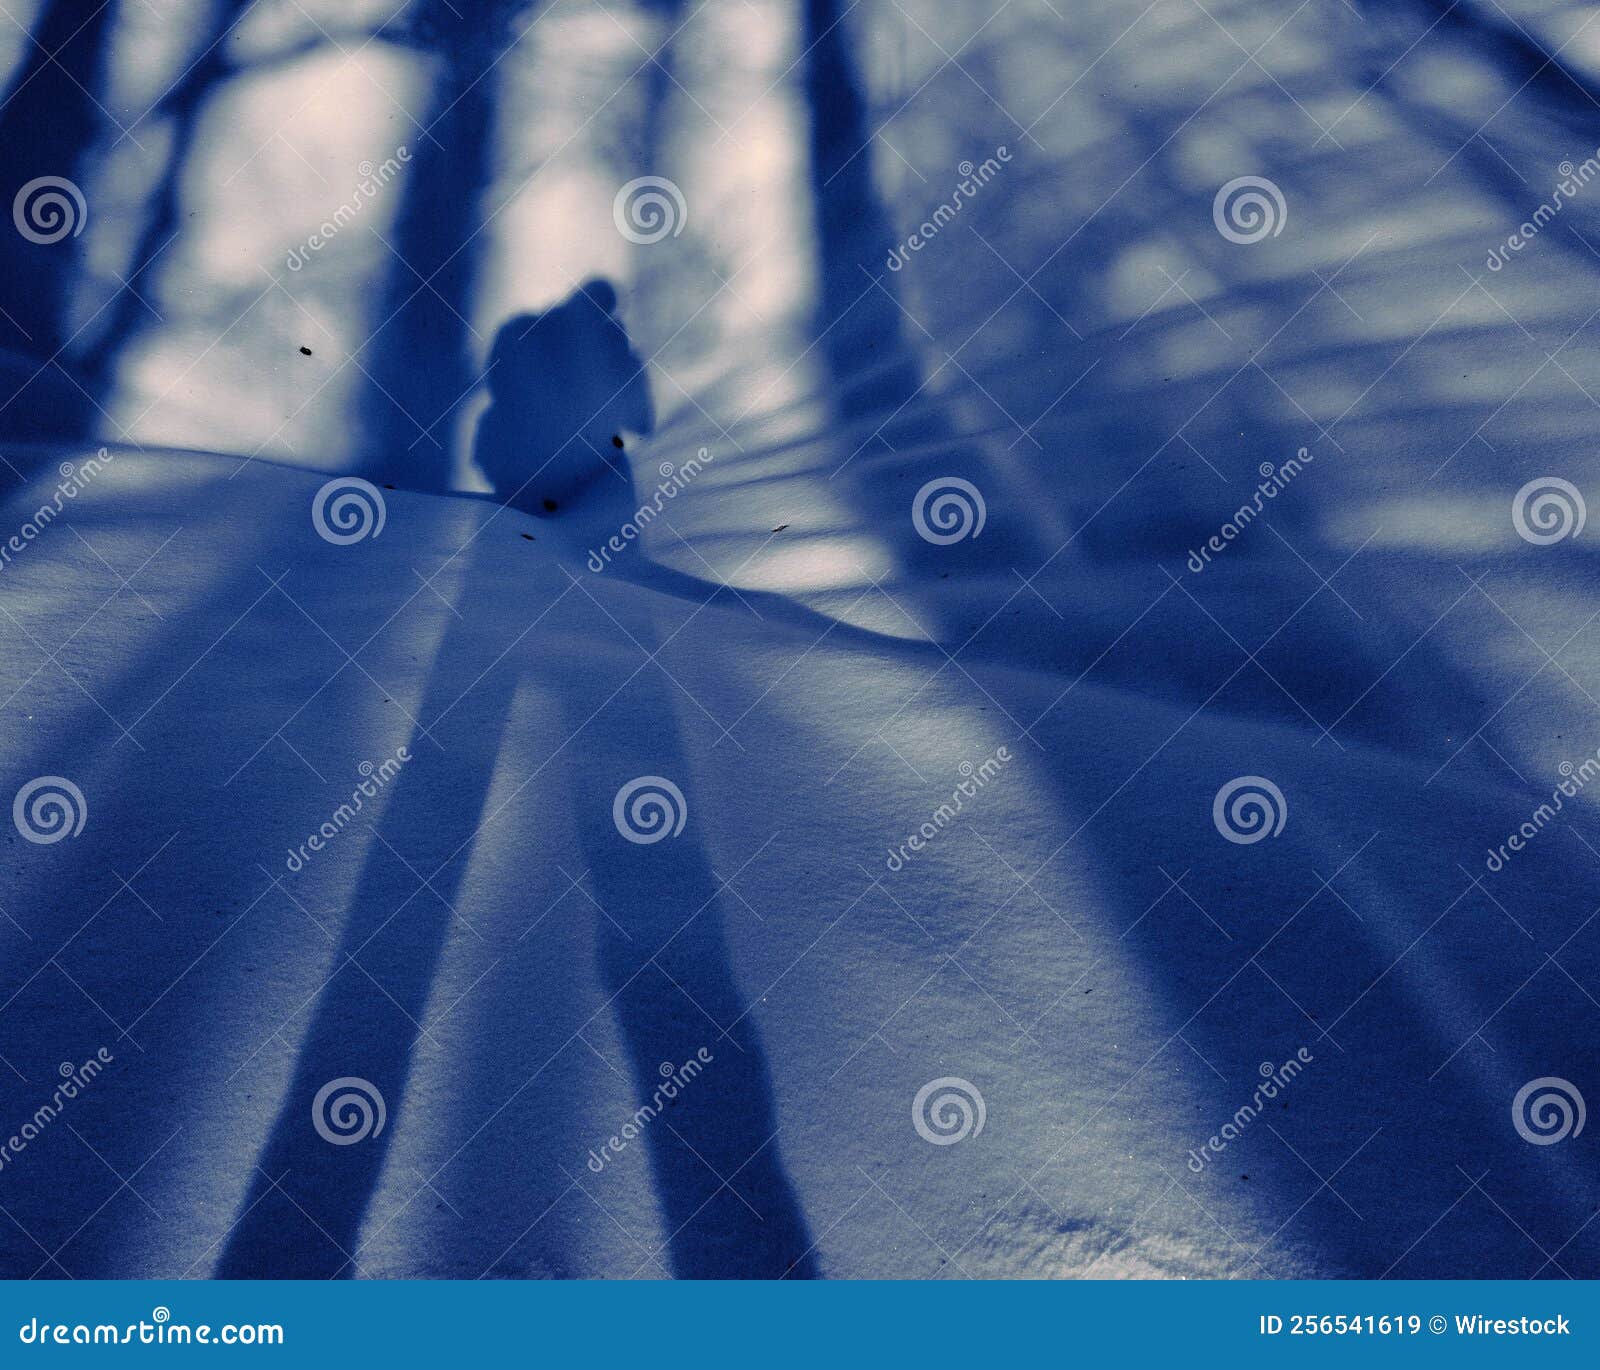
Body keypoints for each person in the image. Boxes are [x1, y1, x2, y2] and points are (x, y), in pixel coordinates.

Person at [473, 279, 654, 517]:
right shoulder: (525, 335)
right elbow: (641, 422)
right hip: (577, 489)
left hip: (529, 480)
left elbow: (641, 422)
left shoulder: (521, 332)